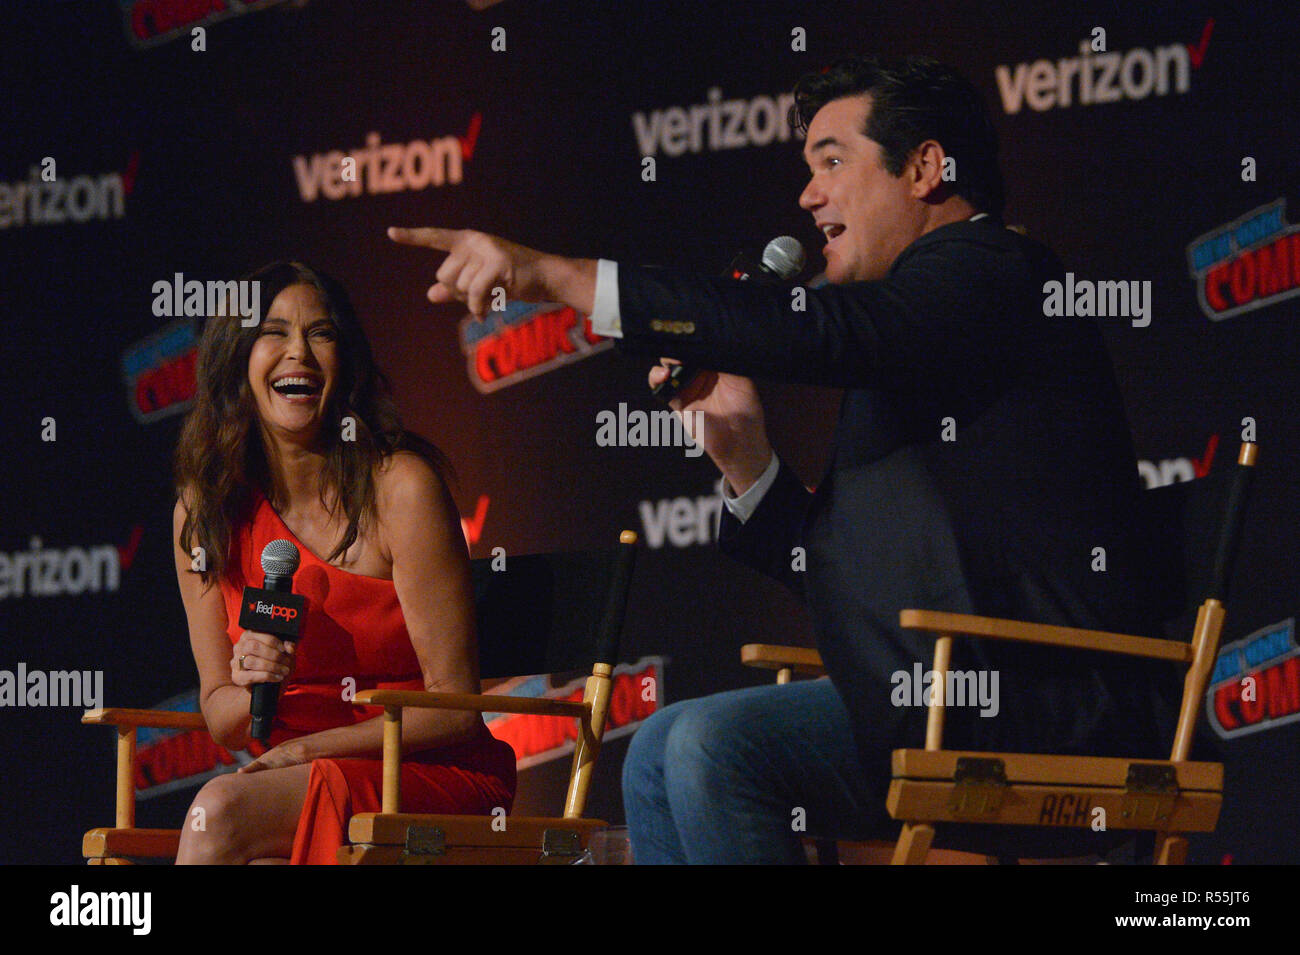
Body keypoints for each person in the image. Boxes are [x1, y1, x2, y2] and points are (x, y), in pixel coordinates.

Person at [386, 55, 1182, 863]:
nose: (807, 194)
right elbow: (846, 571)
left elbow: (826, 330)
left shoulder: (995, 271)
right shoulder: (921, 328)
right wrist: (748, 462)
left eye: (833, 161)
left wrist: (558, 276)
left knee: (709, 747)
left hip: (1049, 704)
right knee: (660, 748)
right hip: (937, 696)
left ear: (926, 168)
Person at [171, 261, 515, 864]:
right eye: (273, 332)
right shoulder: (206, 512)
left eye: (321, 334)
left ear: (345, 362)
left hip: (426, 775)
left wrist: (310, 751)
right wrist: (252, 685)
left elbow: (457, 707)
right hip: (290, 781)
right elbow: (220, 711)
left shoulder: (401, 488)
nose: (297, 353)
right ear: (236, 362)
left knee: (216, 813)